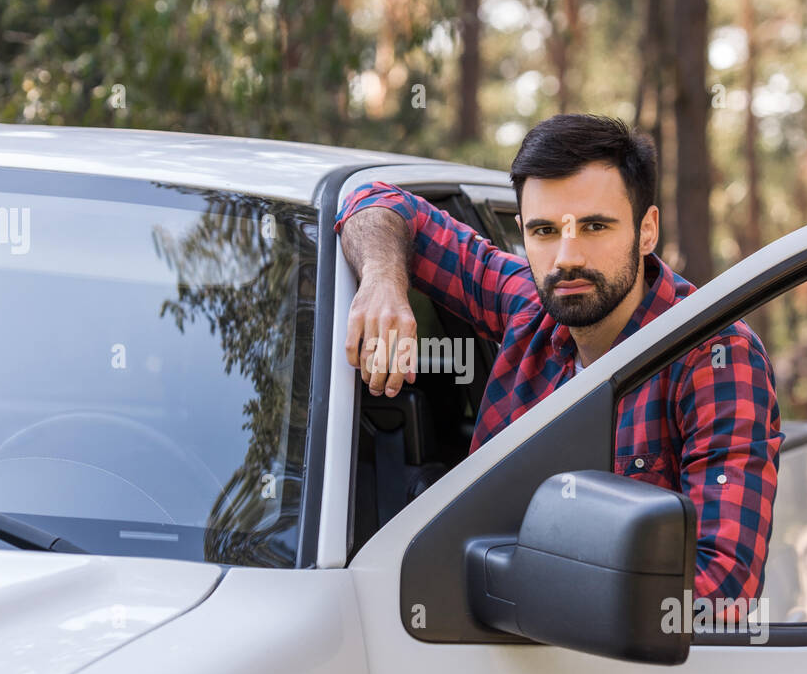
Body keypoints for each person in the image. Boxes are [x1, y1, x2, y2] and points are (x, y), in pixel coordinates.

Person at [335, 113, 783, 602]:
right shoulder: (526, 304)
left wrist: (540, 593)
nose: (567, 257)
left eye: (594, 226)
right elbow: (376, 200)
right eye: (544, 231)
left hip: (608, 667)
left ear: (647, 229)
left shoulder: (715, 359)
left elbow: (721, 588)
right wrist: (382, 279)